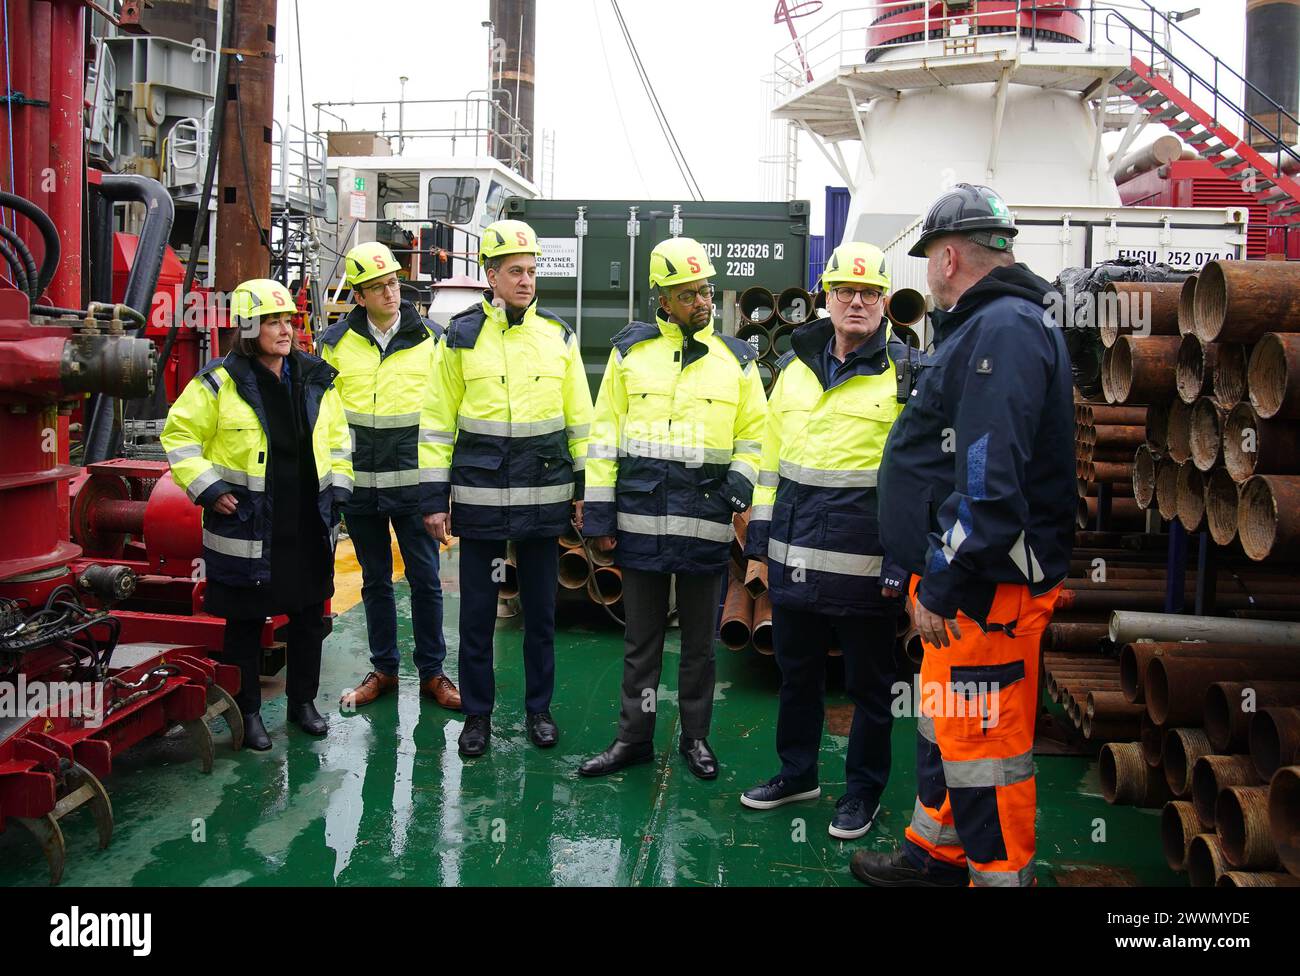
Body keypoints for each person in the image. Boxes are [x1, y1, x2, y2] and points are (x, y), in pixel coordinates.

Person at [851, 184, 1074, 887]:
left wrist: (944, 585)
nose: (925, 273)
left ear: (948, 257)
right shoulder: (991, 325)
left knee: (985, 743)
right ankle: (937, 854)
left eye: (925, 260)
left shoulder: (1002, 331)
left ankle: (998, 876)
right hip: (964, 583)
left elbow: (989, 481)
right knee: (947, 724)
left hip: (984, 588)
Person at [578, 237, 767, 781]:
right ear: (663, 298)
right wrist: (600, 517)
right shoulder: (629, 355)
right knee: (641, 644)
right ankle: (633, 739)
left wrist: (741, 479)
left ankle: (696, 738)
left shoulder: (737, 360)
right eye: (688, 294)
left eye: (705, 290)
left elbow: (756, 435)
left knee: (700, 650)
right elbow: (603, 436)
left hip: (705, 525)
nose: (702, 302)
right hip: (639, 523)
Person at [739, 241, 909, 838]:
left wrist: (906, 561)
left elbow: (918, 477)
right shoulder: (794, 369)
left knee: (870, 686)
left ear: (885, 301)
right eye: (844, 291)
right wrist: (760, 529)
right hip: (794, 554)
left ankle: (862, 792)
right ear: (826, 299)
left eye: (867, 293)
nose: (855, 302)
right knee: (798, 674)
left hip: (866, 562)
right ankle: (798, 773)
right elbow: (769, 457)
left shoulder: (905, 373)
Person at [422, 219, 593, 757]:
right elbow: (435, 422)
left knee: (541, 616)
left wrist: (586, 490)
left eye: (532, 270)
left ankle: (538, 711)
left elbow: (580, 422)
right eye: (515, 271)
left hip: (544, 501)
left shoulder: (558, 336)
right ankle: (478, 715)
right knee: (477, 615)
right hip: (480, 499)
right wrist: (433, 499)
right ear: (490, 275)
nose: (526, 280)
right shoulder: (460, 337)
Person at [162, 278, 354, 750]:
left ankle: (302, 704)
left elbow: (338, 441)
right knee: (245, 622)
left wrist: (340, 492)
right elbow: (179, 436)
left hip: (307, 520)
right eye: (272, 321)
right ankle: (247, 712)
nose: (284, 330)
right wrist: (210, 490)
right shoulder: (218, 382)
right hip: (248, 525)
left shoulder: (315, 377)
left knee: (309, 616)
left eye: (288, 319)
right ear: (249, 329)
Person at [322, 242, 460, 713]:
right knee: (374, 580)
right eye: (378, 286)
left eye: (393, 282)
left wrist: (441, 488)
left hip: (414, 487)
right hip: (359, 487)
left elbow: (448, 414)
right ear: (358, 296)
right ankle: (383, 668)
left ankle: (433, 673)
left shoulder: (434, 340)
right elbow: (325, 419)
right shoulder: (333, 345)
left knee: (425, 580)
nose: (390, 292)